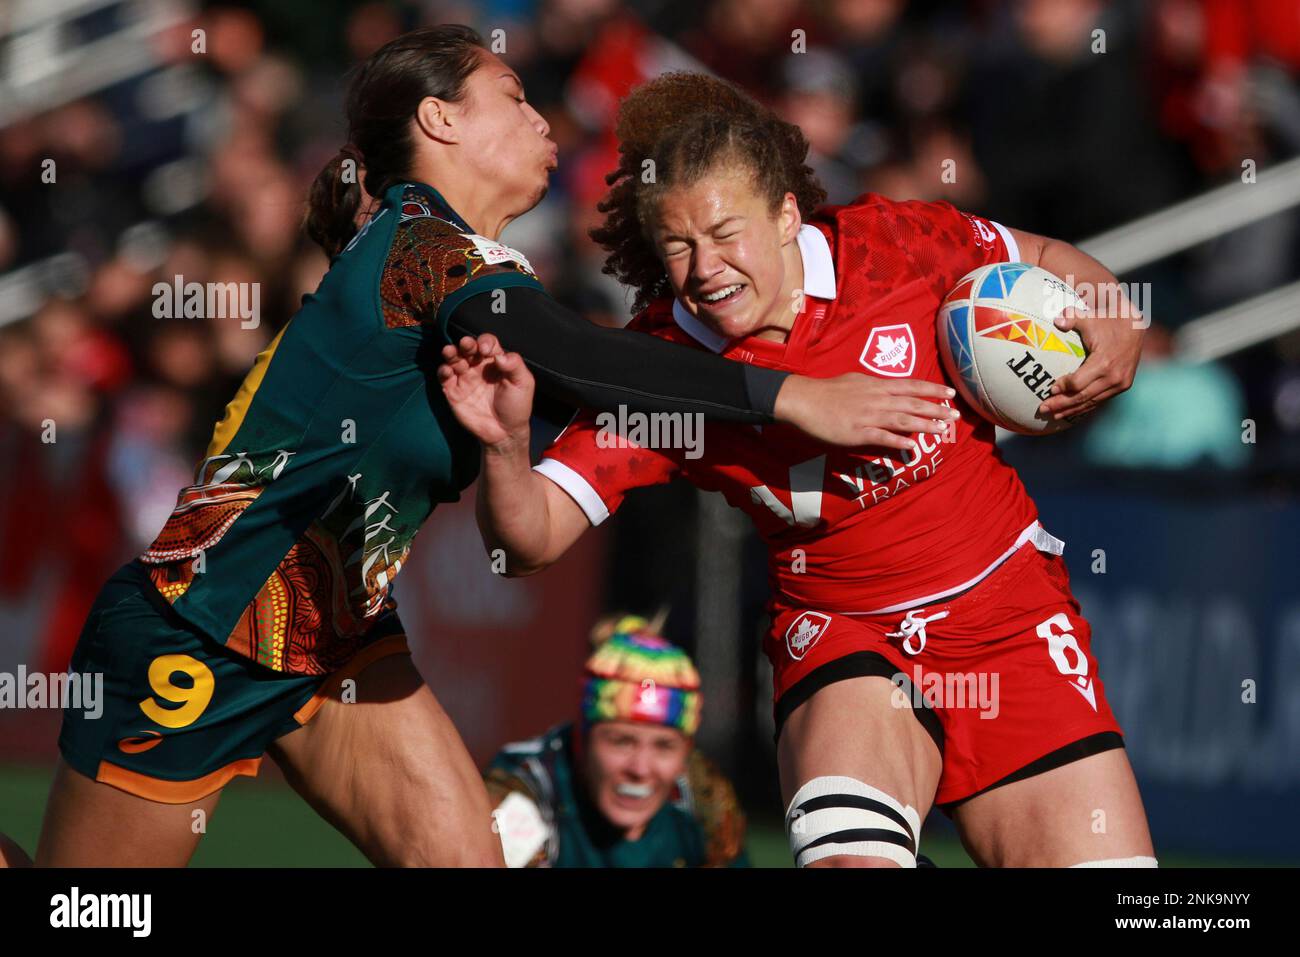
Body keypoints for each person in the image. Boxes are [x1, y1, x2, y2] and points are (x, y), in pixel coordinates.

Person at [36, 27, 945, 868]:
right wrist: (796, 396)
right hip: (204, 629)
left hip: (337, 641)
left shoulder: (451, 258)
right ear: (438, 119)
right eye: (512, 96)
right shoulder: (419, 248)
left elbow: (579, 370)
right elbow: (582, 360)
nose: (539, 115)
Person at [441, 72, 1157, 868]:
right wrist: (505, 445)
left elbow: (1050, 257)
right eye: (677, 245)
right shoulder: (659, 370)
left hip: (1010, 618)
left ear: (787, 214)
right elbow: (531, 537)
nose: (705, 267)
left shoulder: (892, 246)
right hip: (846, 638)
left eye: (725, 232)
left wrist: (1112, 308)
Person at [485, 615, 749, 868]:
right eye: (622, 742)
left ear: (685, 753)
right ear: (581, 740)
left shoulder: (702, 799)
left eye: (664, 746)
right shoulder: (525, 791)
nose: (640, 769)